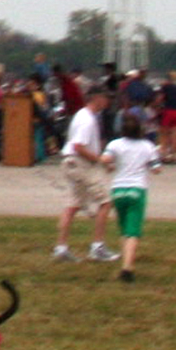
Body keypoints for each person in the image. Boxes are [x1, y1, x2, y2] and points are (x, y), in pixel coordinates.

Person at [52, 92, 115, 263]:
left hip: (72, 164)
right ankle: (98, 247)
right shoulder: (87, 119)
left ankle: (61, 248)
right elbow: (78, 146)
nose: (107, 101)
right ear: (96, 98)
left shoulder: (83, 115)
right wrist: (100, 160)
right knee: (106, 201)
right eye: (105, 98)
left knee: (72, 205)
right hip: (80, 164)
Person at [105, 112, 160, 281]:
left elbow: (104, 159)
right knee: (133, 231)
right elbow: (156, 168)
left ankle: (125, 260)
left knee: (123, 229)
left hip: (118, 189)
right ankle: (127, 268)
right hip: (137, 189)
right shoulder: (148, 146)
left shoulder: (115, 144)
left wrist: (112, 166)